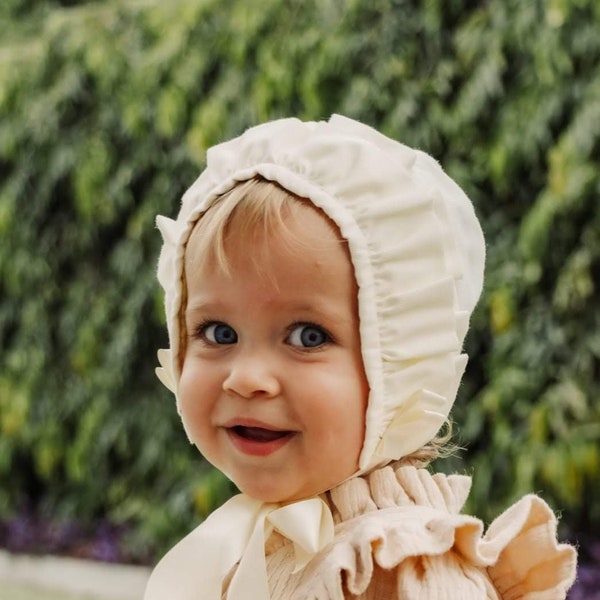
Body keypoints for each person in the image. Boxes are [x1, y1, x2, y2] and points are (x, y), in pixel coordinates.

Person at [144, 115, 577, 599]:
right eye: (218, 332)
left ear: (399, 367)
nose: (246, 378)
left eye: (308, 336)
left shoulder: (398, 567)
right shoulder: (267, 543)